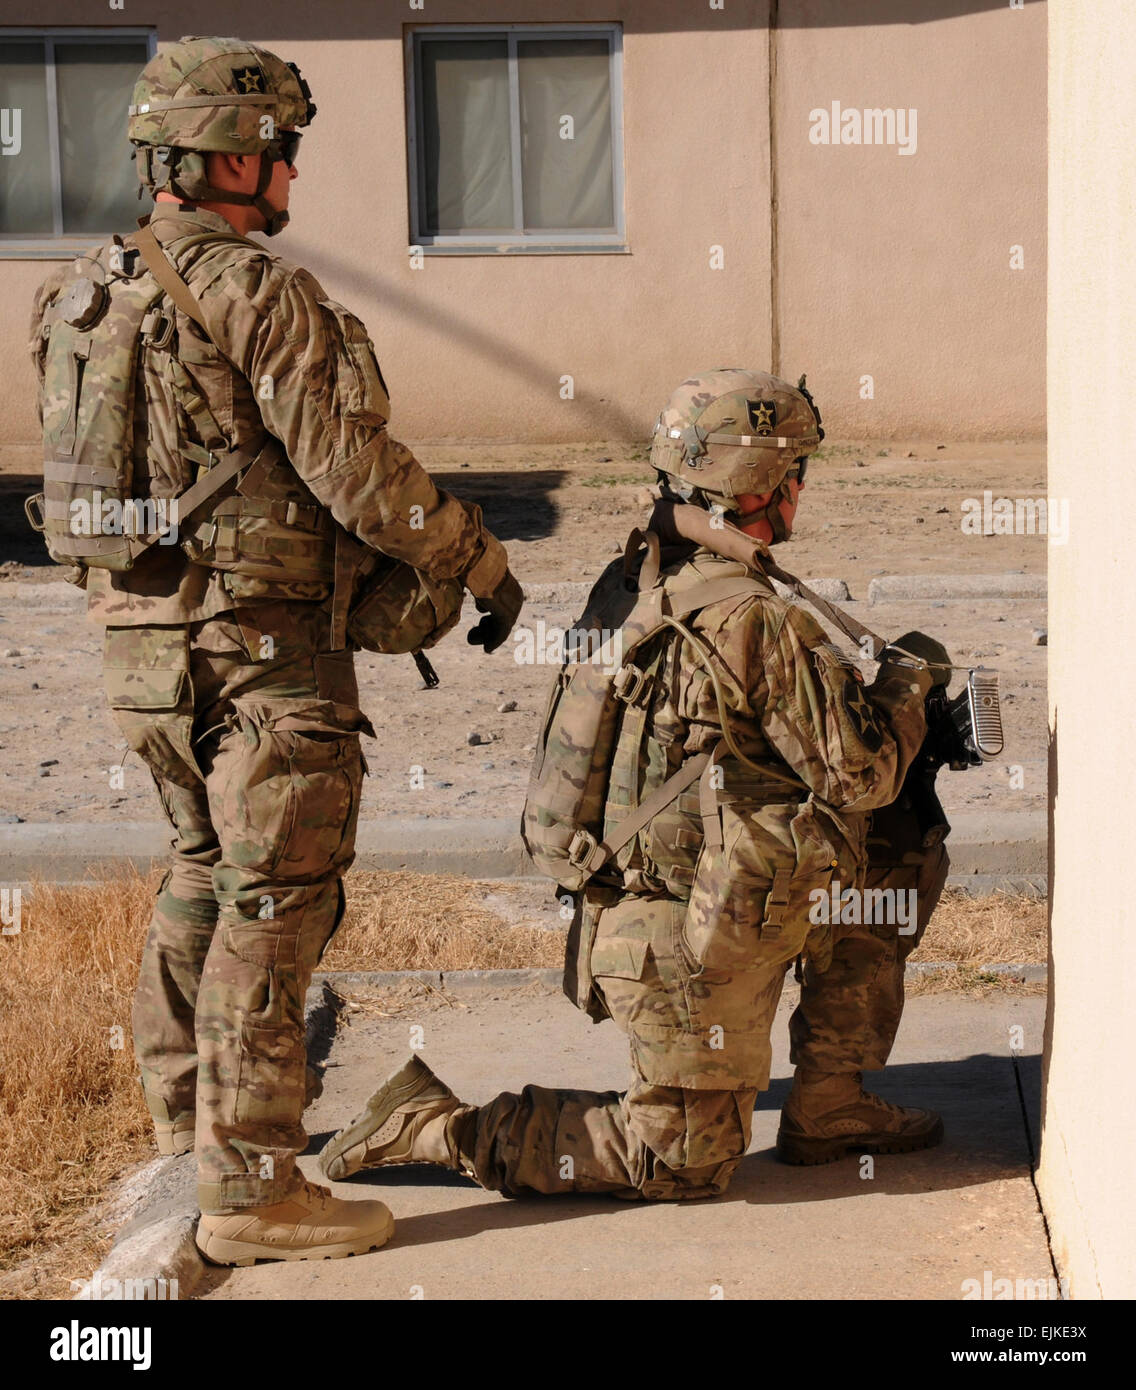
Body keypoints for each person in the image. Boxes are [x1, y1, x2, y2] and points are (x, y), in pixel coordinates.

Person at [28, 36, 522, 1263]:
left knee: (199, 871)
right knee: (276, 899)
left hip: (141, 648)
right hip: (260, 655)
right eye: (280, 147)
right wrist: (472, 554)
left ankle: (180, 1125)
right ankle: (251, 1187)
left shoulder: (77, 291)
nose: (291, 168)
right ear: (228, 158)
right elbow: (355, 476)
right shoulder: (257, 292)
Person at [318, 368, 950, 1200]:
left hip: (683, 897)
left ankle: (828, 1102)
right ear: (762, 483)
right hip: (682, 935)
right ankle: (437, 1125)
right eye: (795, 472)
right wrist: (910, 685)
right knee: (681, 1162)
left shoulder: (638, 578)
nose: (801, 490)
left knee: (895, 848)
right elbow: (859, 771)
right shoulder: (752, 617)